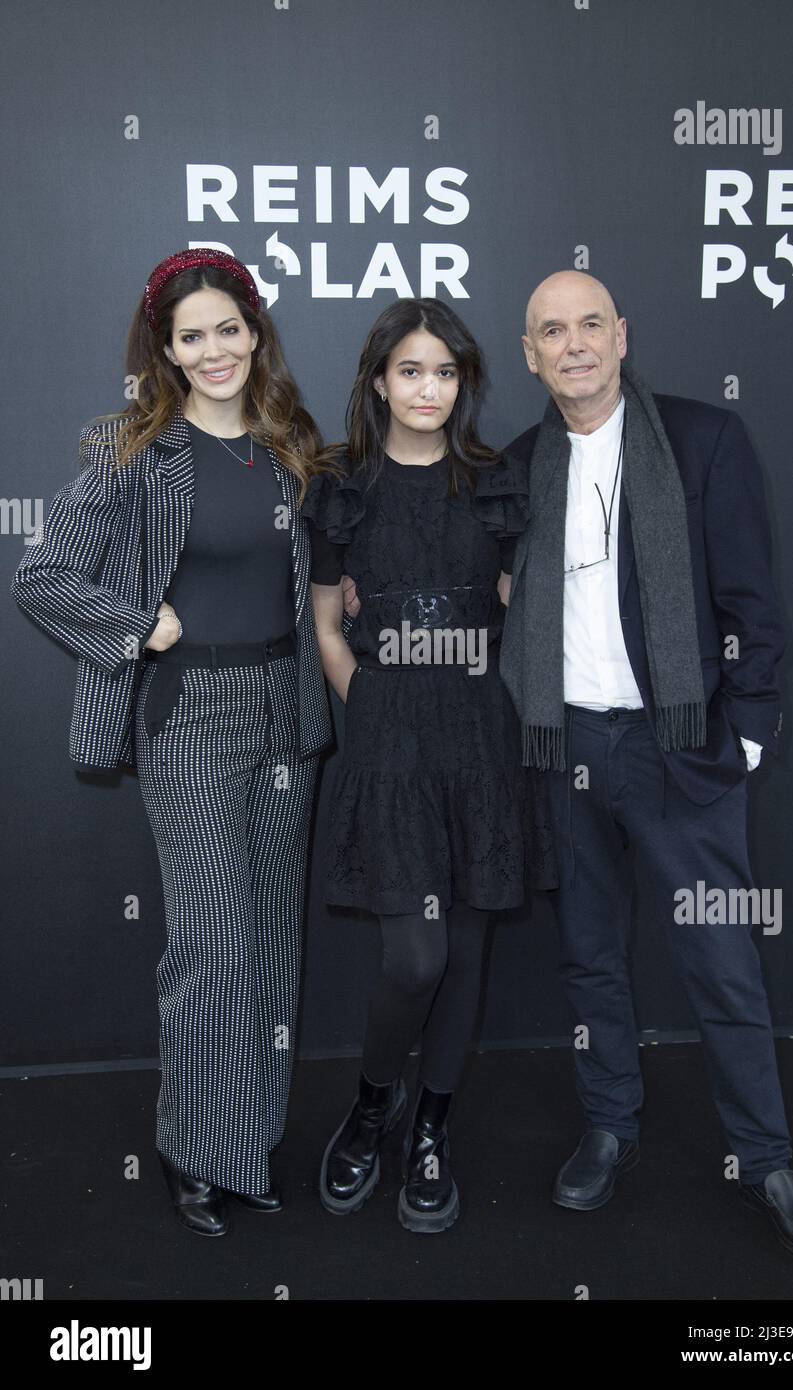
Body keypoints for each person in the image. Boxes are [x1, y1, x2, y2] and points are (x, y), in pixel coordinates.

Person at [499, 269, 793, 1262]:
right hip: (566, 745)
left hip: (680, 747)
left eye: (589, 324)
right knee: (590, 953)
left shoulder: (702, 440)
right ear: (529, 354)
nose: (572, 344)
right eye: (551, 331)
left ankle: (766, 1159)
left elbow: (753, 604)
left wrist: (744, 738)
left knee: (721, 962)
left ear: (621, 335)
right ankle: (610, 1125)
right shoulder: (518, 465)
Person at [11, 248, 331, 1238]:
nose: (213, 350)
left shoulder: (289, 442)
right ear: (166, 349)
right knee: (213, 943)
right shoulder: (135, 451)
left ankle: (249, 1143)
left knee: (271, 938)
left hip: (285, 713)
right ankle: (194, 1149)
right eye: (191, 336)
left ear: (255, 333)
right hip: (188, 715)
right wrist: (136, 624)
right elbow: (42, 575)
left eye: (228, 329)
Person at [303, 297, 556, 1233]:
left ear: (463, 384)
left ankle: (431, 1129)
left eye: (445, 373)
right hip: (388, 740)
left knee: (468, 950)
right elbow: (327, 625)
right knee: (417, 954)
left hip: (481, 736)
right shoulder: (341, 485)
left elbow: (514, 606)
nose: (428, 389)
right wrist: (368, 704)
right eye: (410, 371)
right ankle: (374, 1104)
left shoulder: (495, 482)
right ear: (379, 381)